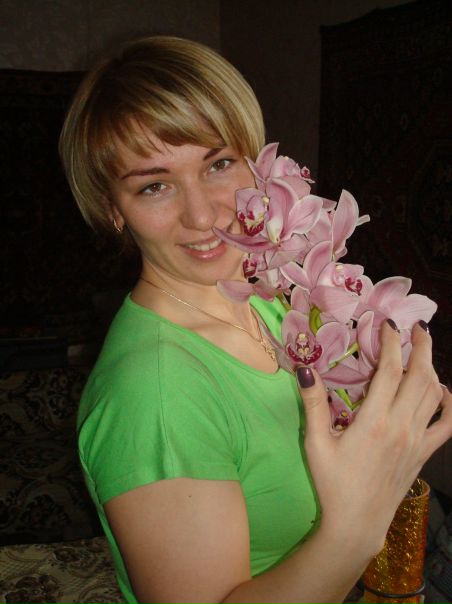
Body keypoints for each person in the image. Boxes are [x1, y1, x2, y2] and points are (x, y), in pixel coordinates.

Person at [59, 36, 452, 604]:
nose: (203, 216)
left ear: (258, 163)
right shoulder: (156, 395)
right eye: (155, 186)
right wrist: (358, 522)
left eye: (219, 164)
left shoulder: (266, 296)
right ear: (113, 211)